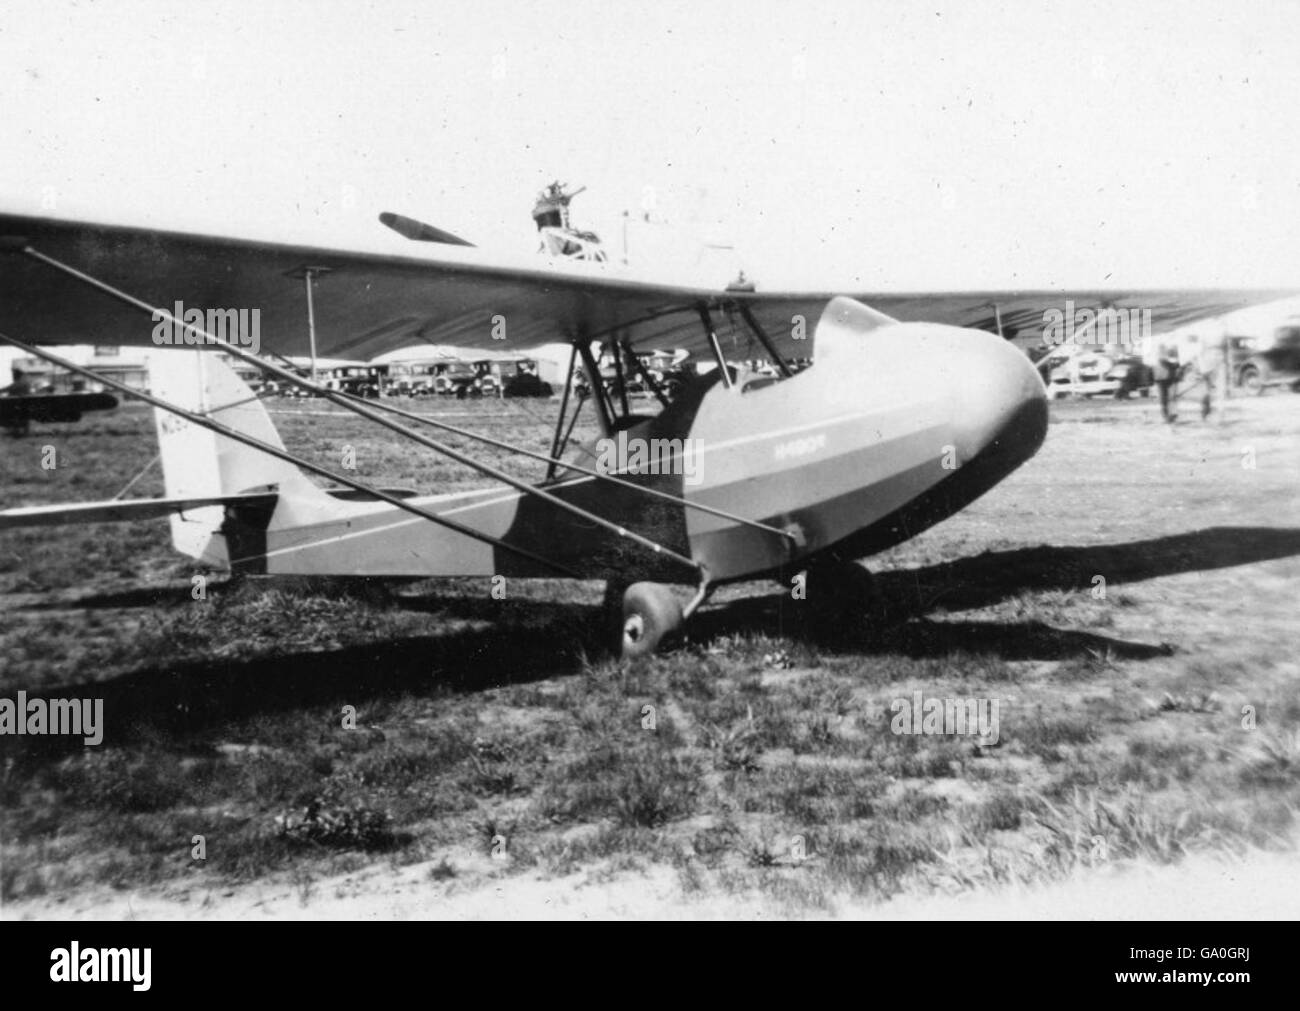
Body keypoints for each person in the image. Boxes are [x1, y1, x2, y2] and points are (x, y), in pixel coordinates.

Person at [1154, 341, 1181, 422]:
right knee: (1164, 398)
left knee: (1171, 397)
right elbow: (1167, 364)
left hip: (1169, 378)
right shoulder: (1160, 354)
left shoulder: (1170, 352)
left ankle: (1172, 414)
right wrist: (1176, 365)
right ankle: (1166, 416)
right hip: (1162, 378)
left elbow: (1175, 363)